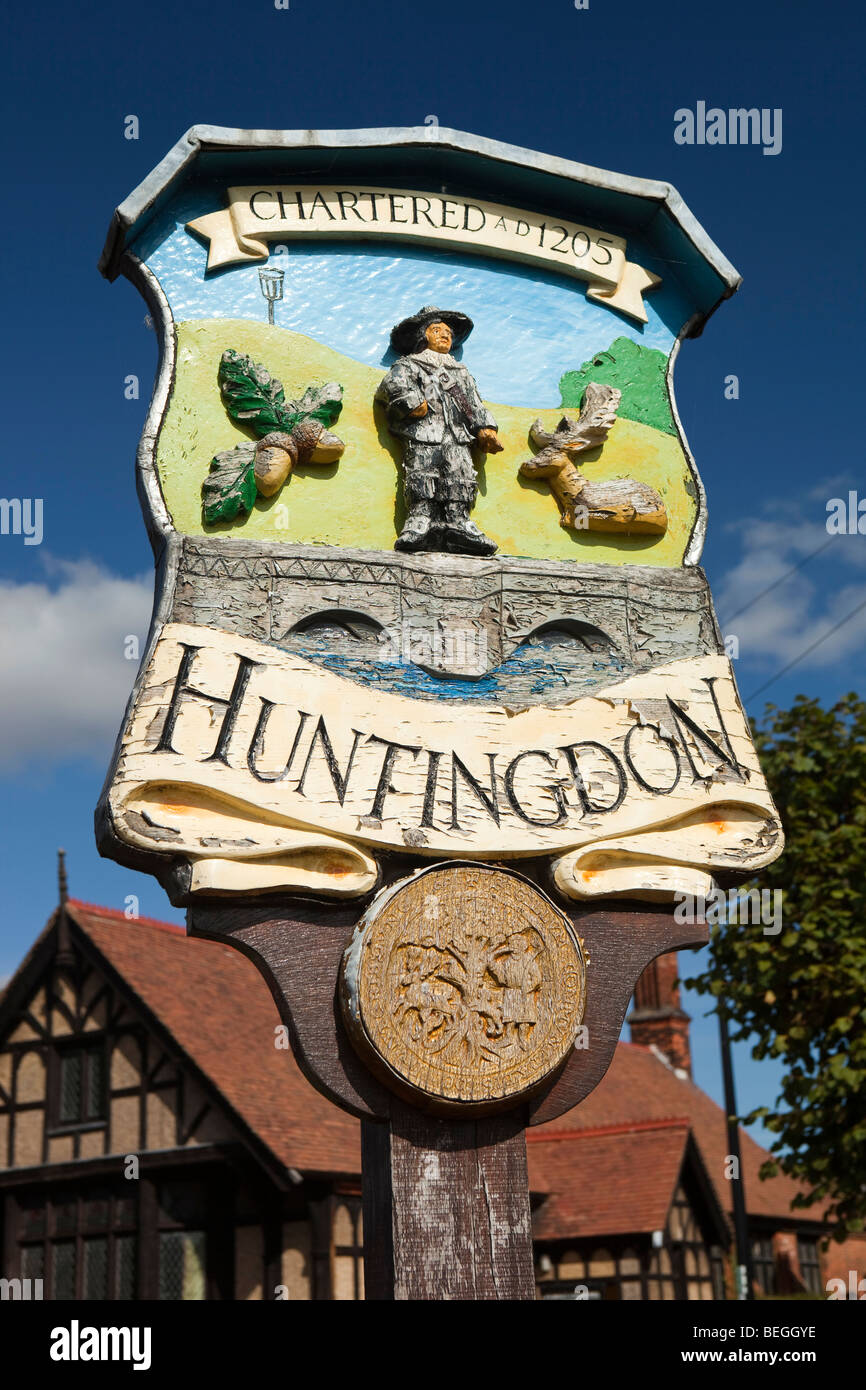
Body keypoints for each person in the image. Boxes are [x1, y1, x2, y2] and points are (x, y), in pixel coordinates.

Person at [375, 305, 503, 555]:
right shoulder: (410, 365)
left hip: (457, 435)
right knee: (423, 472)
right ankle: (419, 519)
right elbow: (392, 386)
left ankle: (459, 520)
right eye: (437, 331)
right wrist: (412, 403)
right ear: (424, 336)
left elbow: (473, 402)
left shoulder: (460, 372)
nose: (445, 336)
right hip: (424, 433)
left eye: (449, 333)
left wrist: (486, 427)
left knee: (460, 473)